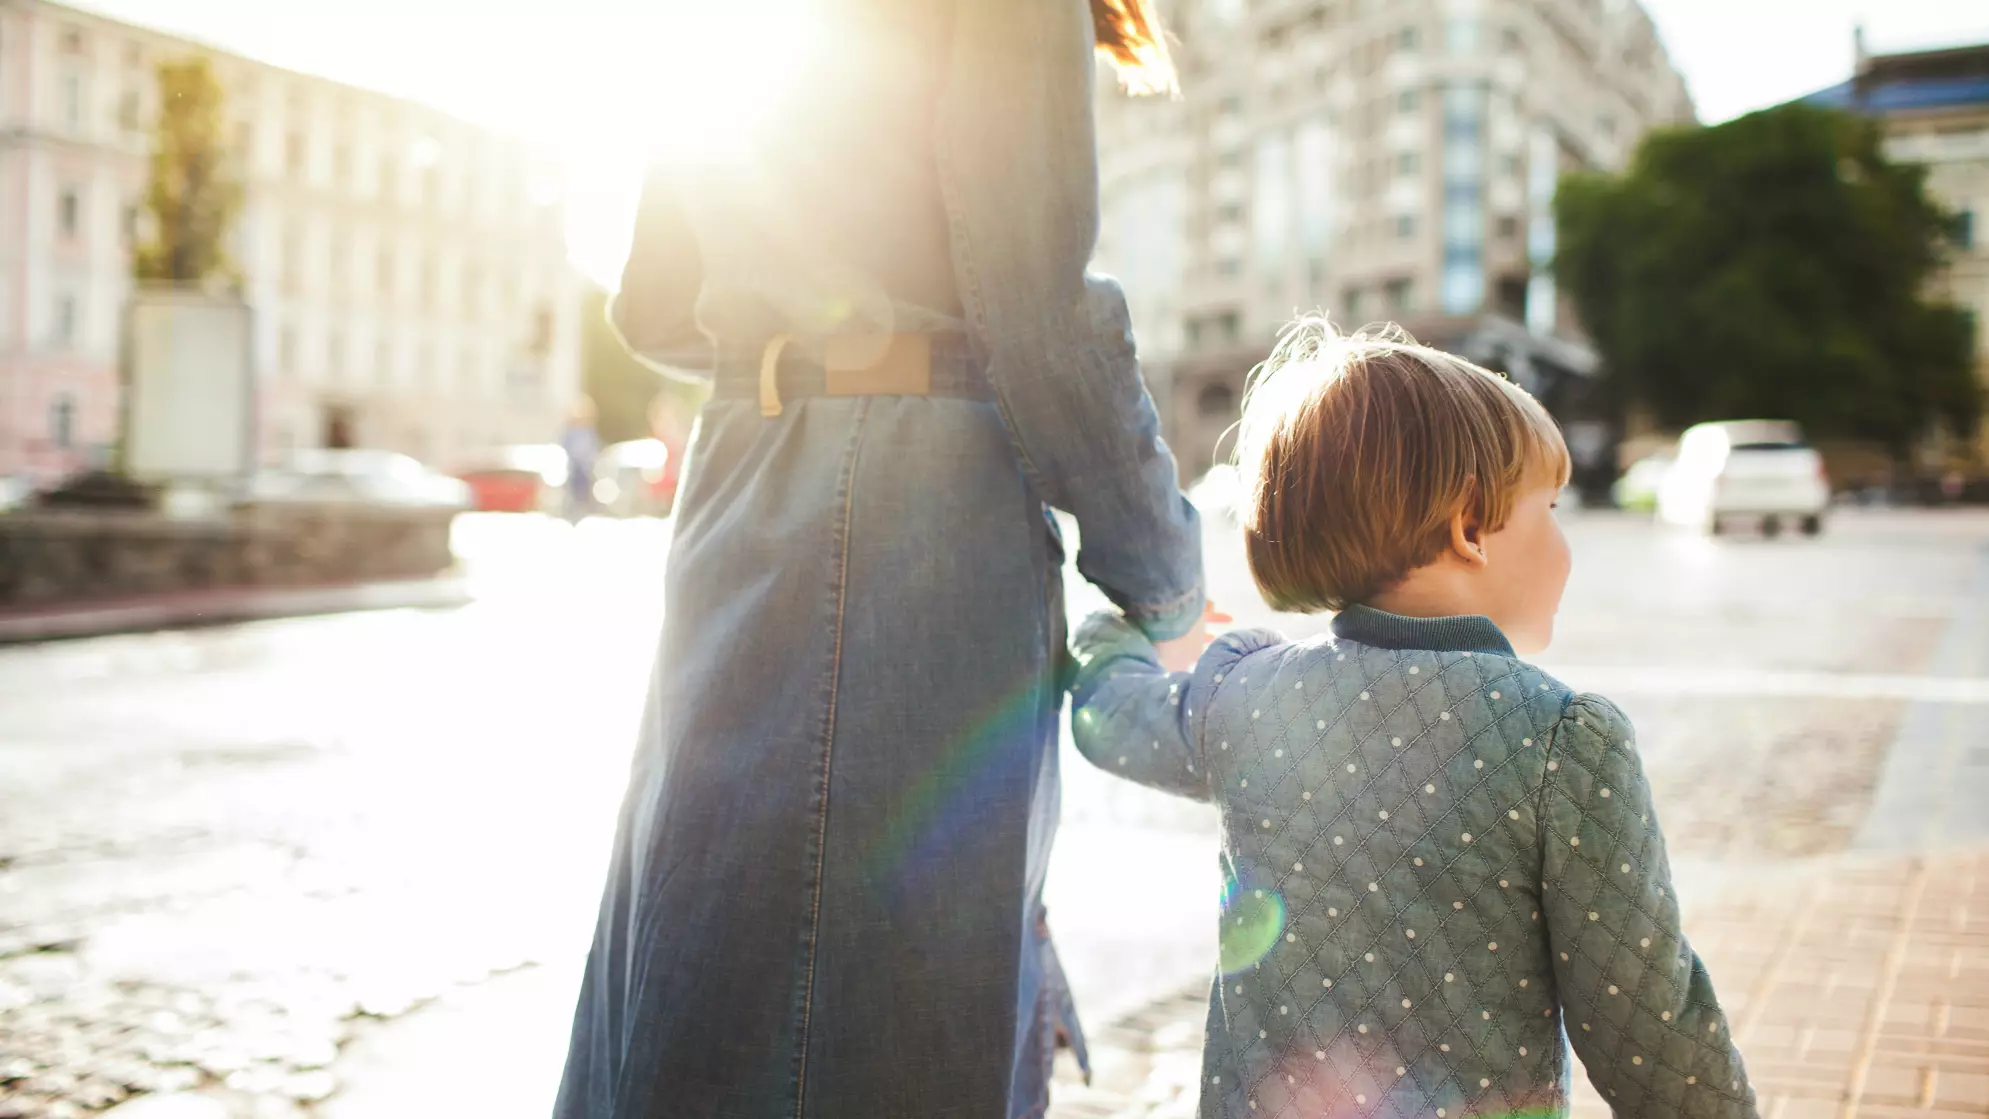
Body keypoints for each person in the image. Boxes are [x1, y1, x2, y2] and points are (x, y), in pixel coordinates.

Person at [555, 2, 1205, 1116]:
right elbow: (1040, 310)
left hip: (743, 480)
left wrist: (787, 340)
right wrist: (1168, 582)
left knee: (702, 938)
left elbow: (656, 304)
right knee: (891, 985)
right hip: (917, 498)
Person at [1068, 321, 1759, 1118]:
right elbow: (1647, 1022)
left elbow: (1110, 719)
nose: (1565, 538)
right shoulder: (1560, 741)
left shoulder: (1243, 697)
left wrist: (1112, 630)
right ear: (1469, 529)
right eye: (1550, 507)